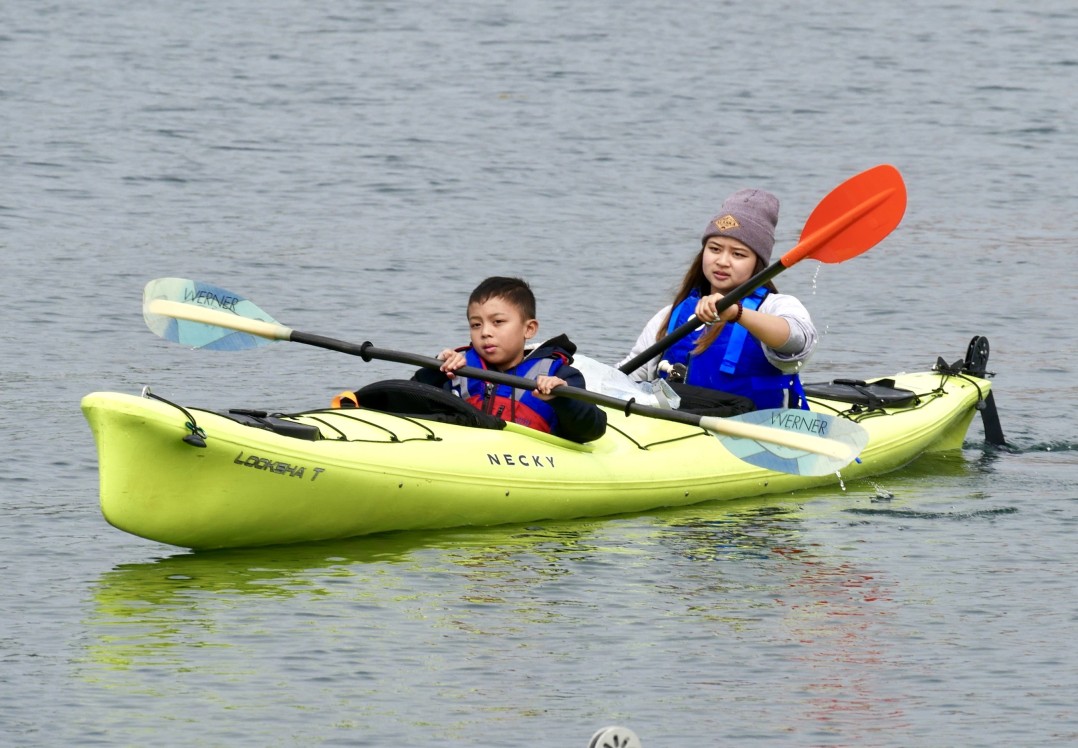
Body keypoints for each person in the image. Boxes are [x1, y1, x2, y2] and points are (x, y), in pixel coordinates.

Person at [618, 188, 817, 411]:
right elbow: (629, 375)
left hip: (756, 433)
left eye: (738, 254)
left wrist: (737, 313)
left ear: (757, 264)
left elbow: (798, 342)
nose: (722, 261)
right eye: (714, 249)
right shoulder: (671, 314)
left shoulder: (776, 306)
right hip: (675, 432)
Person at [413, 276, 607, 443]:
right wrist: (435, 369)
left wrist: (562, 398)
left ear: (529, 329)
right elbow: (404, 401)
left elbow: (592, 430)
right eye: (476, 325)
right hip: (464, 451)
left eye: (498, 322)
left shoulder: (559, 374)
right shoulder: (457, 369)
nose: (485, 332)